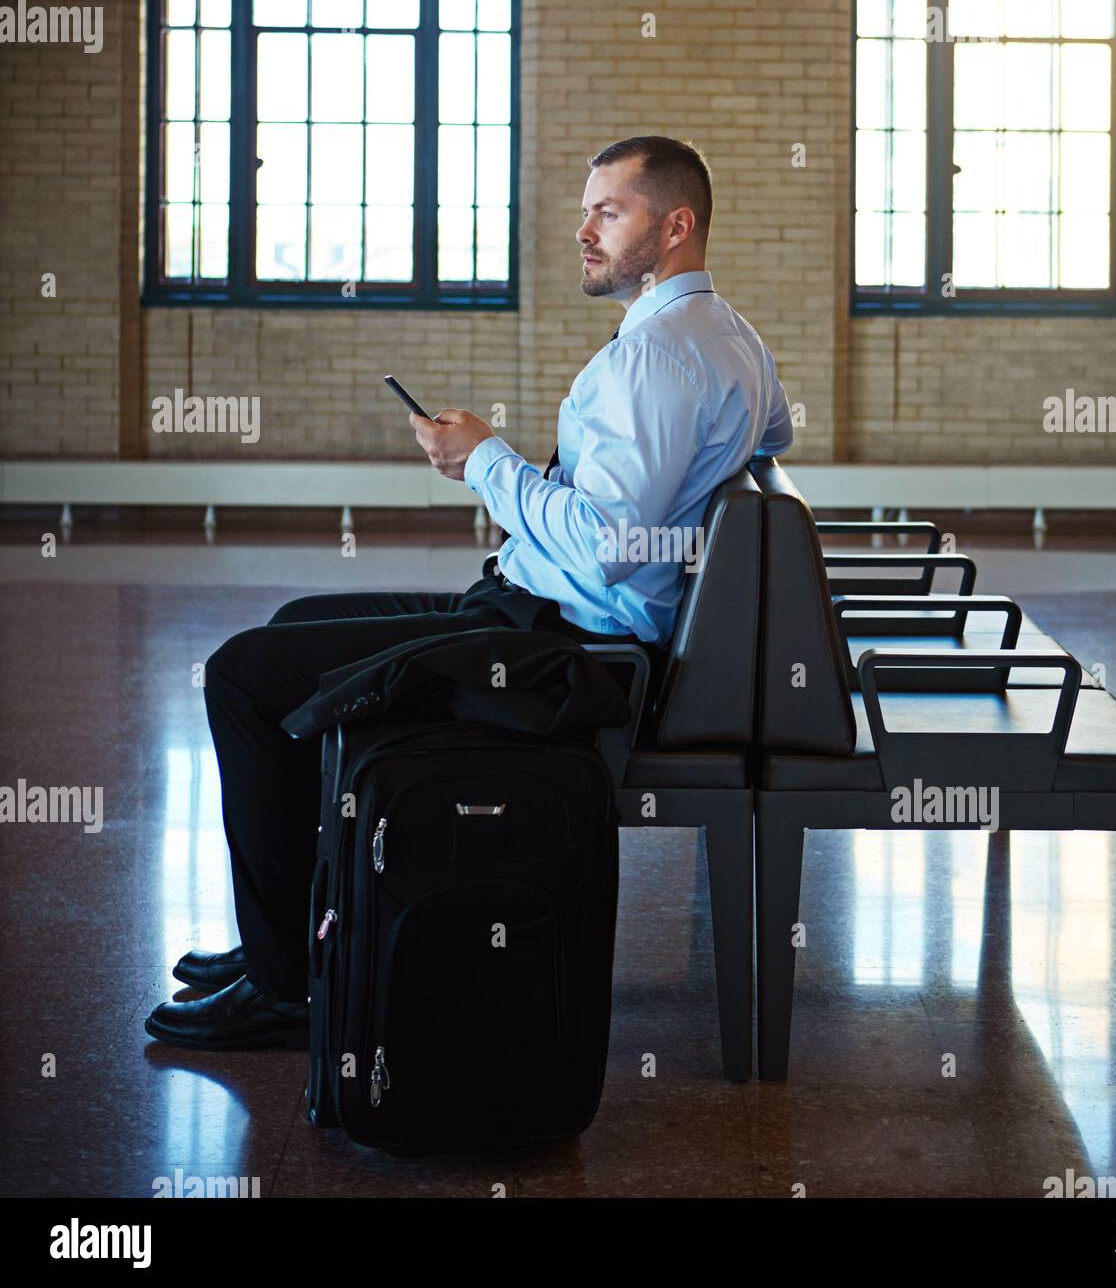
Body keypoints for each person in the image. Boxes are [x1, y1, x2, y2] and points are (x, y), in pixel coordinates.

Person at [145, 134, 794, 1050]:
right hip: (547, 609)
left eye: (610, 211)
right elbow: (774, 433)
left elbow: (610, 544)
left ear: (677, 224)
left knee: (246, 675)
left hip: (569, 647)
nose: (584, 229)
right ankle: (286, 940)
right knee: (296, 628)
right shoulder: (730, 335)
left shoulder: (656, 357)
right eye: (587, 209)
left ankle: (289, 988)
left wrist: (489, 463)